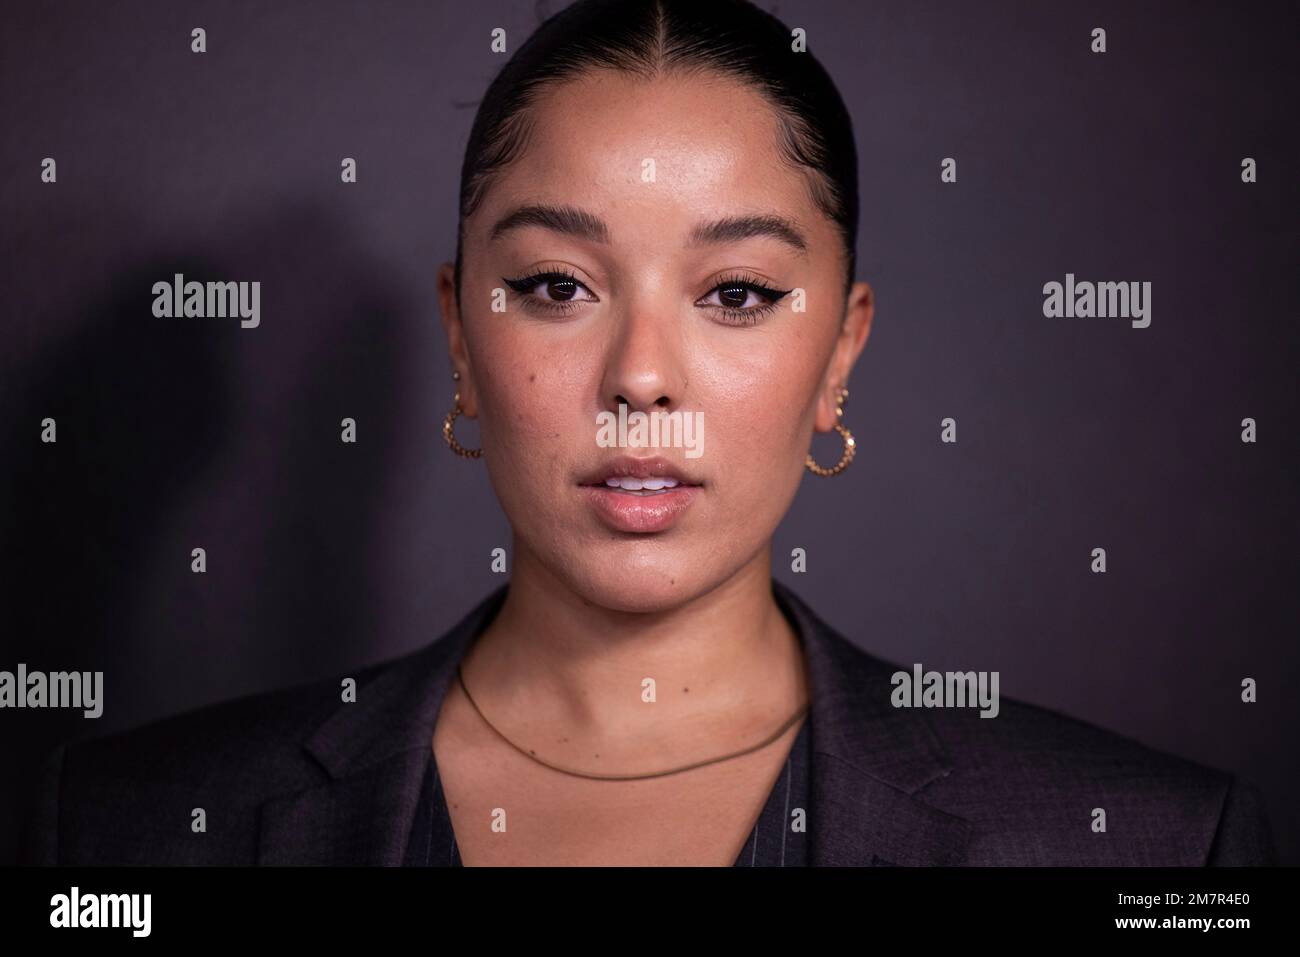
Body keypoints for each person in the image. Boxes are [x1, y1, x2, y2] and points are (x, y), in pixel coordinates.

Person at [21, 0, 1275, 867]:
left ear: (840, 352)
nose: (640, 378)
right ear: (461, 339)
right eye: (557, 286)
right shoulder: (133, 830)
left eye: (737, 294)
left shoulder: (1147, 845)